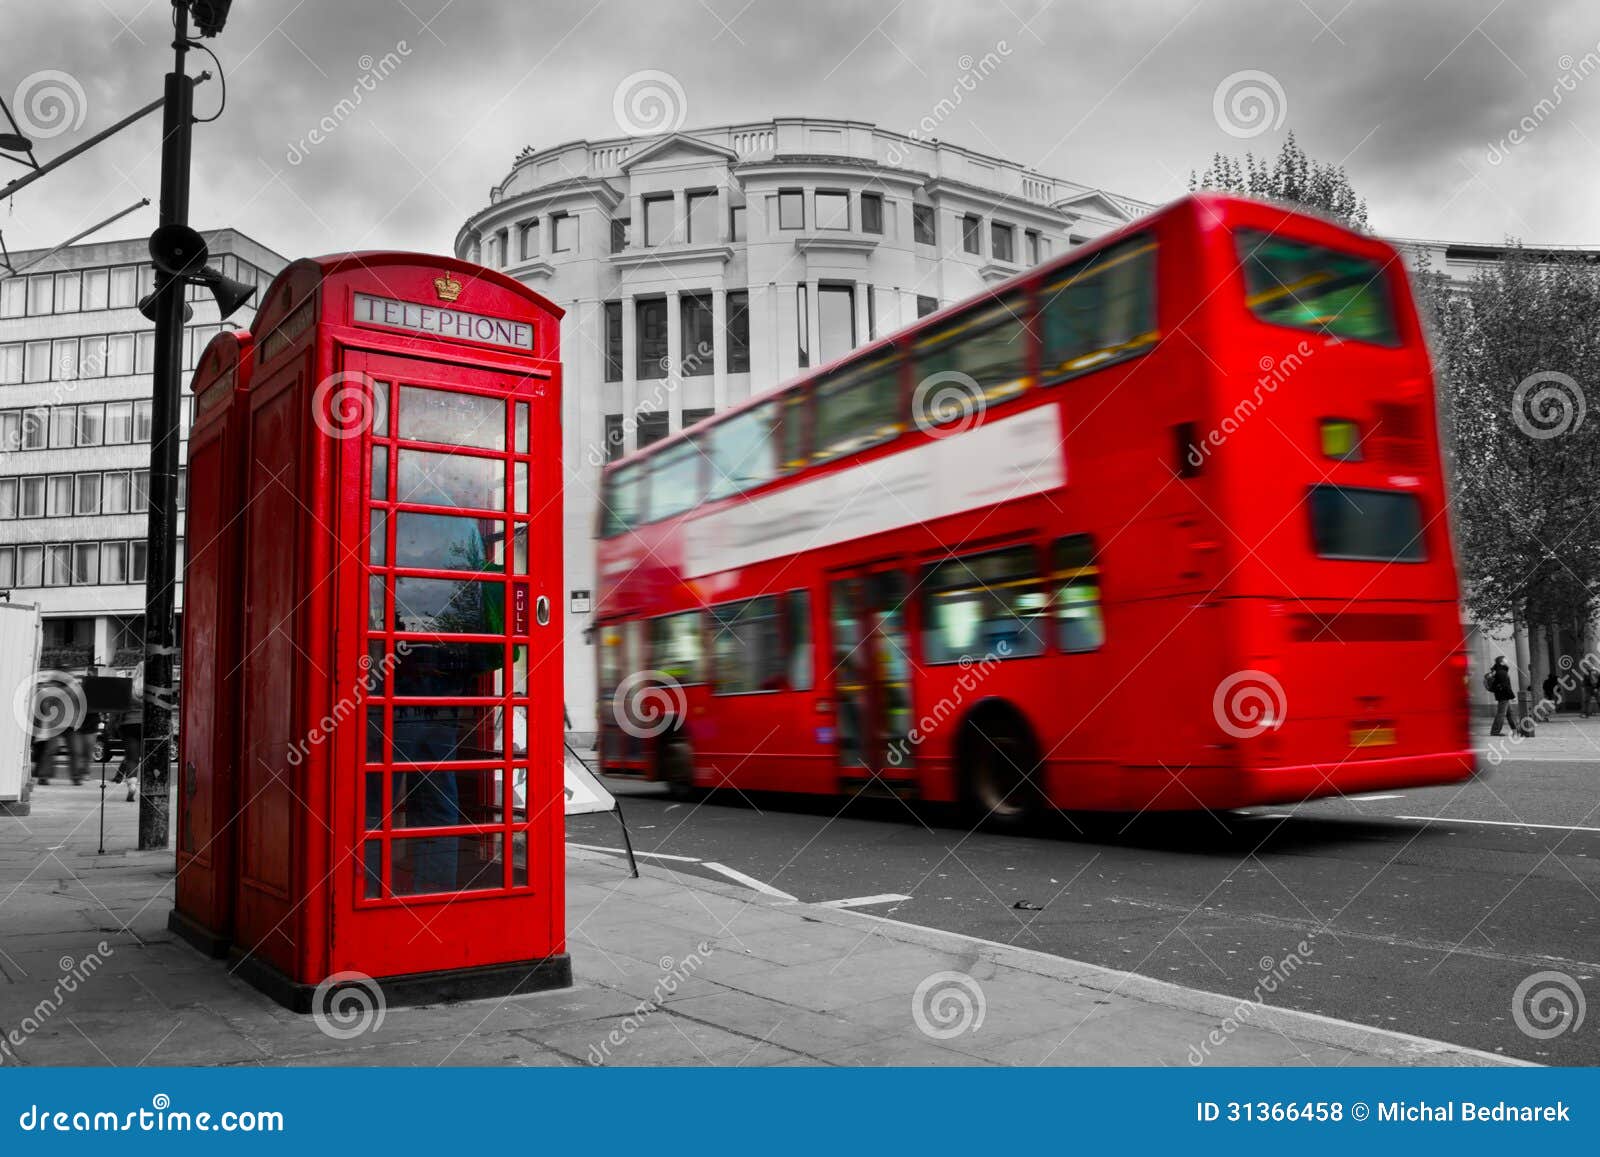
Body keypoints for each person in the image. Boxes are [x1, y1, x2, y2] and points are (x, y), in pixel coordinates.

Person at [1488, 656, 1519, 736]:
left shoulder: (1500, 671)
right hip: (1503, 696)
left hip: (1503, 695)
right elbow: (1506, 686)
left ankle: (1516, 730)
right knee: (1501, 714)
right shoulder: (1502, 672)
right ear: (1501, 662)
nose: (1507, 660)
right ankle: (1495, 731)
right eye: (1505, 659)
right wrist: (1513, 696)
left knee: (1510, 713)